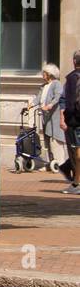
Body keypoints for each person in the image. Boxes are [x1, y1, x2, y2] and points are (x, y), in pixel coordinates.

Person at [32, 63, 65, 168]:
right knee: (47, 139)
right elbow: (38, 98)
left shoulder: (56, 84)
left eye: (44, 73)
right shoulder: (43, 86)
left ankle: (60, 163)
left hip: (54, 116)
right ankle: (50, 163)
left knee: (55, 139)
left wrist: (50, 105)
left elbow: (58, 96)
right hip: (45, 117)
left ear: (50, 74)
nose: (43, 74)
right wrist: (31, 105)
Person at [62, 51, 80, 194]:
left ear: (74, 61)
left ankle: (76, 184)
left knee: (77, 154)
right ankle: (76, 183)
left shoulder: (72, 78)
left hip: (75, 121)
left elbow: (68, 102)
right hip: (75, 121)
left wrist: (66, 119)